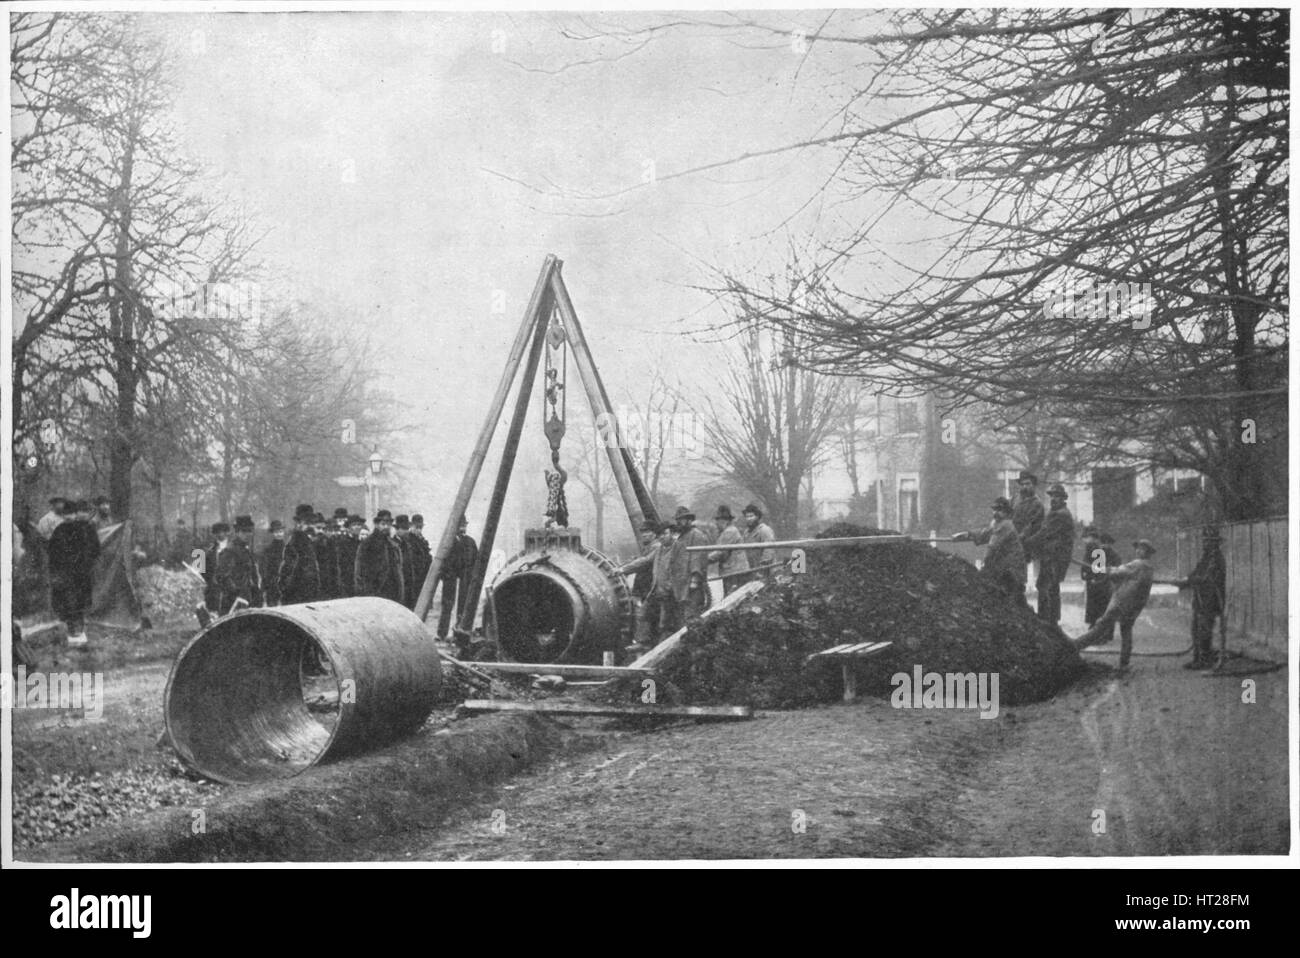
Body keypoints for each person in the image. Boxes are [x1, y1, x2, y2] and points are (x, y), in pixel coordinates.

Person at [1075, 539, 1158, 672]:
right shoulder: (1149, 568)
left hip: (1122, 602)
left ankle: (1074, 646)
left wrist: (1105, 569)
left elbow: (1117, 572)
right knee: (1126, 631)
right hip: (1135, 606)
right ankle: (1124, 663)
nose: (1138, 551)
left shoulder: (1137, 564)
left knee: (1100, 626)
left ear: (1147, 553)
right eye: (1138, 548)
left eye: (1142, 549)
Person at [953, 497, 1026, 605]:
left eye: (999, 510)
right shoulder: (997, 523)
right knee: (1012, 599)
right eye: (994, 509)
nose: (996, 513)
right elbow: (985, 533)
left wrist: (985, 566)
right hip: (1005, 568)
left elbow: (992, 546)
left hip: (1012, 570)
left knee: (1010, 600)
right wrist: (967, 535)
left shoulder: (1006, 525)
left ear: (1006, 512)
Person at [47, 500, 100, 646]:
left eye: (72, 513)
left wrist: (85, 562)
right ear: (63, 515)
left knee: (78, 602)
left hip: (80, 573)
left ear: (76, 514)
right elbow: (52, 552)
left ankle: (79, 633)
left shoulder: (85, 528)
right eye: (66, 514)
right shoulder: (60, 530)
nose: (69, 517)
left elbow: (95, 549)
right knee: (70, 602)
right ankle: (73, 633)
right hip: (69, 574)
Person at [1022, 482, 1074, 624]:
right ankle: (1049, 619)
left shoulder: (1060, 515)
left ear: (1063, 498)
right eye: (1051, 496)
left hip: (1056, 558)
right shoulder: (1054, 512)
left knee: (1047, 587)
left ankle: (1048, 620)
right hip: (1051, 556)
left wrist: (1025, 542)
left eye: (1056, 496)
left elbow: (1044, 533)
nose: (1053, 499)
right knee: (1047, 586)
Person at [1175, 527, 1227, 669]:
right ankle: (1197, 659)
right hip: (1201, 599)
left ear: (1215, 543)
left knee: (1204, 631)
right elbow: (1195, 573)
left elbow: (1206, 578)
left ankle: (1204, 661)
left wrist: (1188, 581)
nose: (1205, 544)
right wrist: (1185, 581)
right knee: (1196, 629)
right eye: (1204, 541)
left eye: (1209, 542)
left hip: (1211, 600)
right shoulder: (1206, 558)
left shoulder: (1216, 559)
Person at [618, 520, 664, 649]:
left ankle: (643, 642)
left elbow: (645, 562)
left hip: (650, 587)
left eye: (647, 532)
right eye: (643, 532)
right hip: (645, 587)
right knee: (648, 615)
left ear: (654, 534)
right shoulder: (649, 547)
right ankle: (647, 642)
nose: (644, 535)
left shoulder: (656, 547)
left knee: (644, 614)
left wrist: (624, 569)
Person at [437, 515, 479, 650]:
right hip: (451, 579)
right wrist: (448, 575)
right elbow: (442, 561)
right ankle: (442, 633)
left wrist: (471, 576)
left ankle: (459, 633)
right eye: (460, 525)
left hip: (465, 579)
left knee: (463, 606)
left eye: (464, 525)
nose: (463, 527)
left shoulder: (470, 542)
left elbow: (476, 561)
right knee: (447, 605)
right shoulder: (448, 542)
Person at [1079, 526, 1121, 642]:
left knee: (1101, 609)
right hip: (1095, 583)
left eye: (1089, 538)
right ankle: (1096, 632)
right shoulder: (1092, 549)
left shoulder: (1097, 550)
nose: (1086, 540)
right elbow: (1086, 566)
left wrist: (1094, 579)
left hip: (1100, 584)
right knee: (1095, 608)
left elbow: (1099, 570)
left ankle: (1101, 634)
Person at [356, 509, 404, 605]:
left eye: (388, 524)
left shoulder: (392, 544)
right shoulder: (368, 544)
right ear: (377, 525)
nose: (386, 527)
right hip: (376, 593)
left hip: (392, 593)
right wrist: (367, 593)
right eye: (383, 524)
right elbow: (359, 570)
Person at [216, 515, 262, 614]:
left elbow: (252, 577)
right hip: (233, 603)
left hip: (248, 600)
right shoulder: (230, 551)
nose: (247, 534)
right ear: (237, 532)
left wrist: (256, 593)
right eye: (243, 531)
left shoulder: (247, 551)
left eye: (249, 531)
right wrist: (237, 593)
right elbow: (222, 577)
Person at [672, 506, 712, 617]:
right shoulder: (681, 538)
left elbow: (697, 558)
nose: (679, 522)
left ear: (689, 520)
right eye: (678, 520)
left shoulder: (697, 535)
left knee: (692, 616)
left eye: (682, 520)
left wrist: (695, 580)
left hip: (692, 585)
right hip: (681, 585)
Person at [278, 504, 321, 604]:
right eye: (306, 522)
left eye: (312, 523)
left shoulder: (308, 542)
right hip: (298, 596)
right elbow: (288, 571)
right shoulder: (295, 543)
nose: (310, 526)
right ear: (298, 523)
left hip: (310, 594)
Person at [706, 505, 744, 595]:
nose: (716, 524)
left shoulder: (730, 531)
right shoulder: (727, 532)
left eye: (718, 521)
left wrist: (703, 560)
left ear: (725, 521)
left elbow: (719, 552)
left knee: (732, 596)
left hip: (734, 571)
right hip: (732, 570)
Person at [740, 503, 776, 577]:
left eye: (751, 516)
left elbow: (768, 552)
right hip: (752, 569)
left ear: (757, 517)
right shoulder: (746, 532)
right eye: (747, 516)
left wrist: (761, 569)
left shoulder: (764, 530)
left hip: (765, 570)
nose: (749, 519)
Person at [202, 521, 231, 614]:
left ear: (227, 532)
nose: (219, 534)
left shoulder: (234, 548)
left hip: (231, 588)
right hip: (215, 590)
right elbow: (205, 571)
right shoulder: (210, 551)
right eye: (217, 532)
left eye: (222, 531)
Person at [393, 515, 418, 610]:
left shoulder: (408, 545)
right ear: (397, 530)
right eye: (403, 528)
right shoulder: (393, 544)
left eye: (407, 528)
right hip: (399, 585)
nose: (406, 531)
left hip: (409, 584)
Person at [259, 519, 286, 606]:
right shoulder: (268, 550)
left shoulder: (288, 548)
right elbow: (263, 568)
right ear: (273, 533)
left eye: (281, 531)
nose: (279, 534)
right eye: (276, 532)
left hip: (285, 583)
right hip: (272, 584)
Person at [408, 512, 432, 598]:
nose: (419, 530)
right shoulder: (408, 539)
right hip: (413, 577)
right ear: (411, 526)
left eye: (420, 527)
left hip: (422, 576)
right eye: (417, 527)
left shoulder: (422, 540)